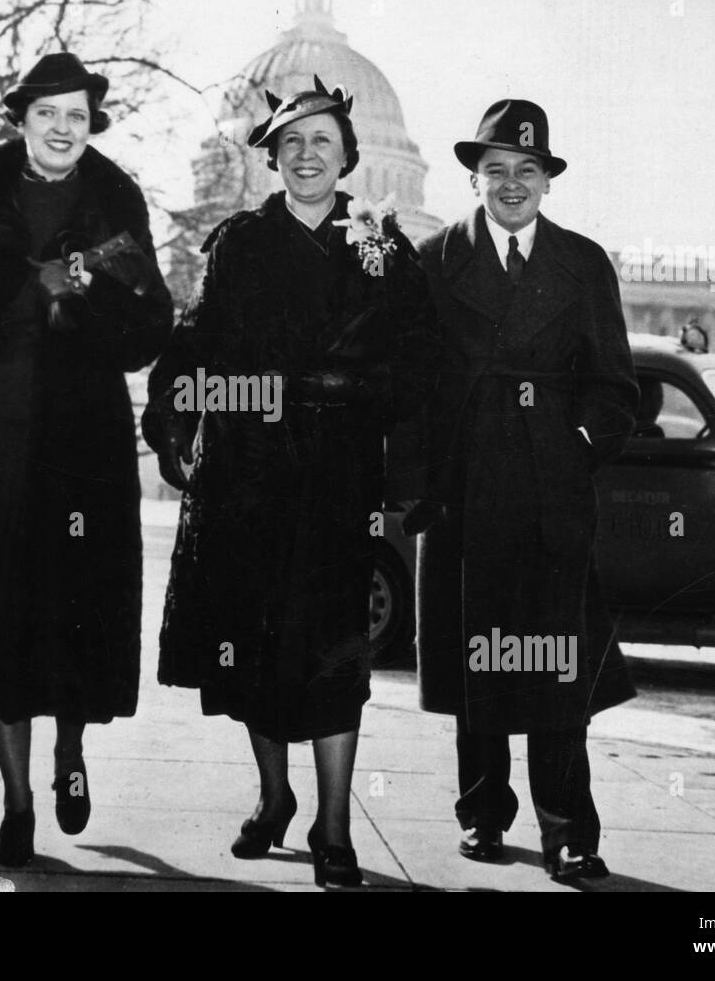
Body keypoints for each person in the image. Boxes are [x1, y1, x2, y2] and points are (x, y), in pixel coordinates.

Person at [143, 78, 434, 888]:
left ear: (348, 157)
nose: (307, 155)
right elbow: (197, 341)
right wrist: (175, 422)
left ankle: (333, 827)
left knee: (335, 653)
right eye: (292, 142)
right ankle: (274, 798)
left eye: (322, 141)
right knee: (255, 648)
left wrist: (403, 461)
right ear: (272, 158)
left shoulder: (386, 249)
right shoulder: (240, 244)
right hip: (248, 473)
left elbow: (420, 365)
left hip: (338, 476)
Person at [0, 52, 173, 868]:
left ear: (92, 125)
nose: (62, 128)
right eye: (47, 114)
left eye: (76, 116)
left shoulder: (116, 199)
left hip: (82, 446)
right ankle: (18, 800)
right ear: (21, 120)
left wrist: (87, 288)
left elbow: (150, 326)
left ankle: (71, 750)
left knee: (76, 609)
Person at [407, 98, 638, 882]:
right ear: (473, 179)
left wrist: (579, 446)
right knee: (479, 656)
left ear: (547, 181)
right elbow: (414, 385)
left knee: (554, 664)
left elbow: (615, 385)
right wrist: (423, 482)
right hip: (466, 487)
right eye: (496, 169)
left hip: (550, 489)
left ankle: (568, 831)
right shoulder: (435, 260)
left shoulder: (583, 263)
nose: (512, 183)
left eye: (527, 170)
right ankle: (482, 813)